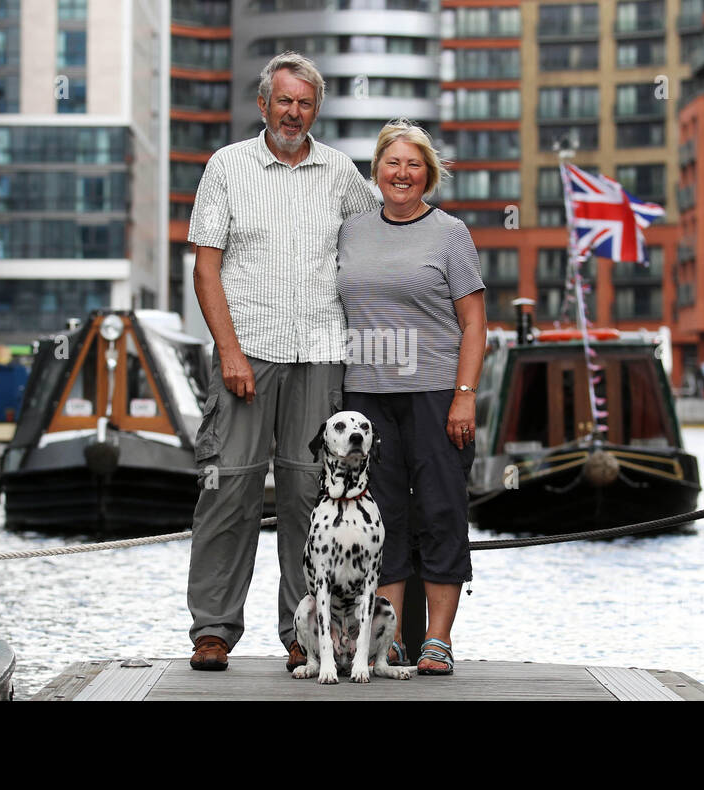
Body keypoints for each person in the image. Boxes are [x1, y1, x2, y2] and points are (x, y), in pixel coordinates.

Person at [185, 52, 378, 671]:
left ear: (314, 109)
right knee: (229, 489)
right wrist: (230, 351)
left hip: (322, 353)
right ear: (263, 104)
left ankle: (304, 631)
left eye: (305, 103)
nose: (294, 113)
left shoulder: (343, 173)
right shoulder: (227, 167)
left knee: (309, 496)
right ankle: (213, 628)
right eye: (284, 101)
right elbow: (205, 269)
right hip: (248, 354)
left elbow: (384, 232)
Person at [335, 120, 487, 675]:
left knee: (442, 510)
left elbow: (475, 324)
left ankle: (438, 640)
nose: (403, 174)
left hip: (435, 394)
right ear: (376, 170)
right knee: (384, 516)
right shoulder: (351, 231)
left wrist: (464, 396)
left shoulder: (450, 234)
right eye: (393, 163)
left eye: (414, 165)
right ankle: (392, 638)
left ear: (429, 174)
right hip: (367, 397)